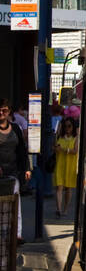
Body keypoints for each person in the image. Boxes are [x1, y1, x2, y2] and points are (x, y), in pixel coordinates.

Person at [0, 98, 31, 239]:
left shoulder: (16, 129)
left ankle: (16, 234)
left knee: (15, 200)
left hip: (13, 172)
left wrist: (27, 168)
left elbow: (22, 151)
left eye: (4, 110)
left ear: (9, 112)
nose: (1, 113)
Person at [53, 116, 79, 217]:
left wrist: (63, 150)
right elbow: (54, 147)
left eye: (69, 126)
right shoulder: (60, 137)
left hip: (70, 166)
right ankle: (59, 209)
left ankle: (65, 209)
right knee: (59, 187)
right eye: (65, 126)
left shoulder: (76, 138)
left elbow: (75, 151)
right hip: (60, 164)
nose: (67, 128)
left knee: (68, 188)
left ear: (73, 127)